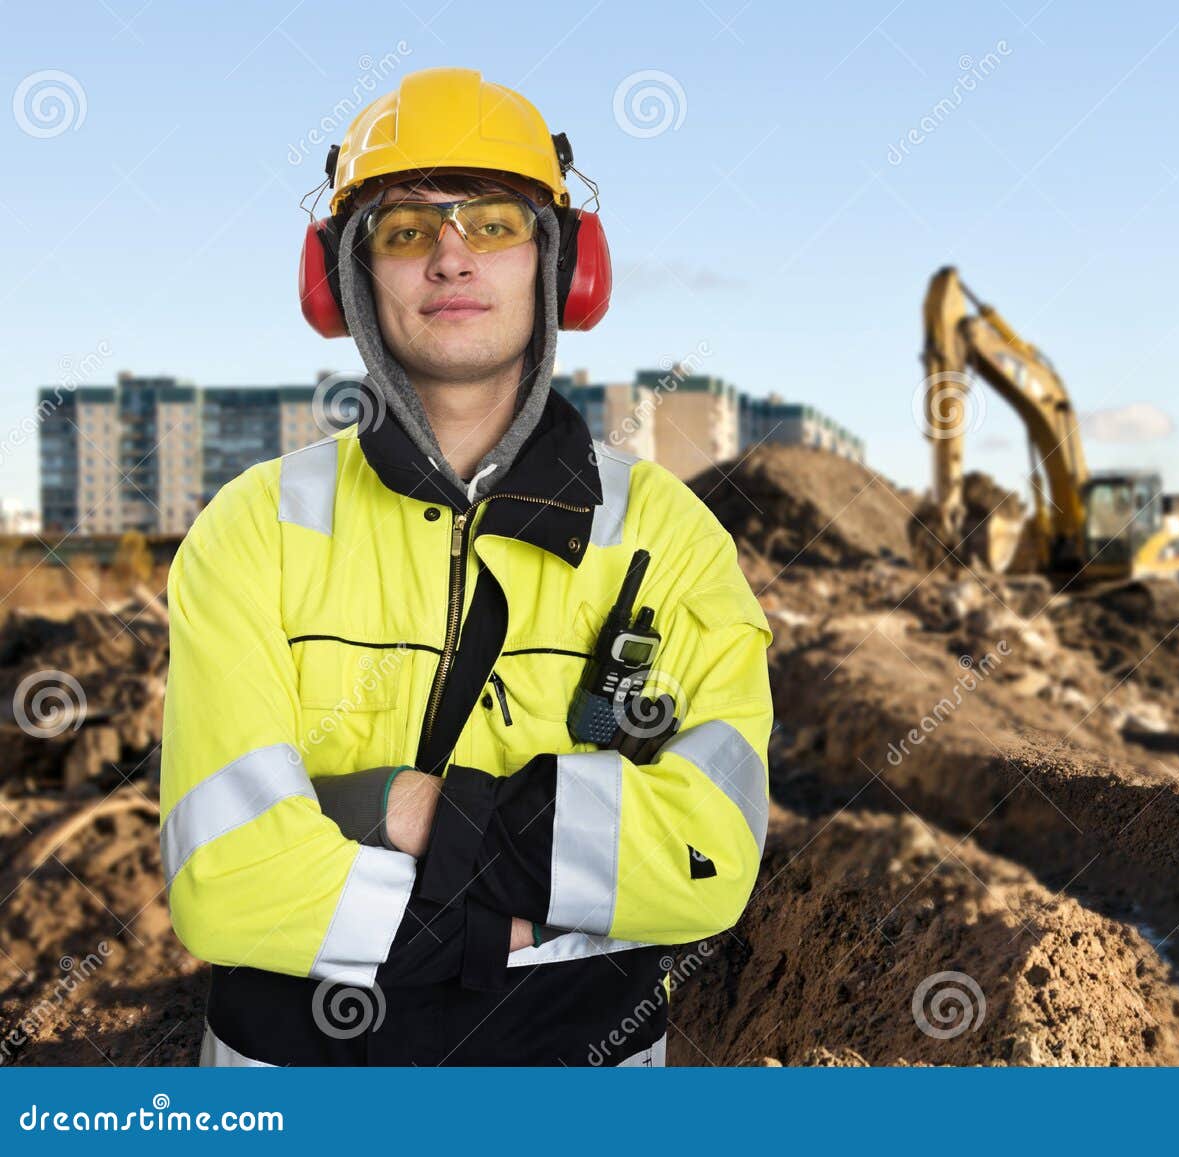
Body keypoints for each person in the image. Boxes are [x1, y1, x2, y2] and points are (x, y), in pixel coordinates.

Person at [158, 67, 773, 1066]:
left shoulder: (670, 534)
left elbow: (707, 860)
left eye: (492, 222)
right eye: (405, 229)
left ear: (563, 265)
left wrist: (387, 807)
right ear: (348, 280)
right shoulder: (254, 527)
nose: (450, 255)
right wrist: (535, 899)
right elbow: (227, 880)